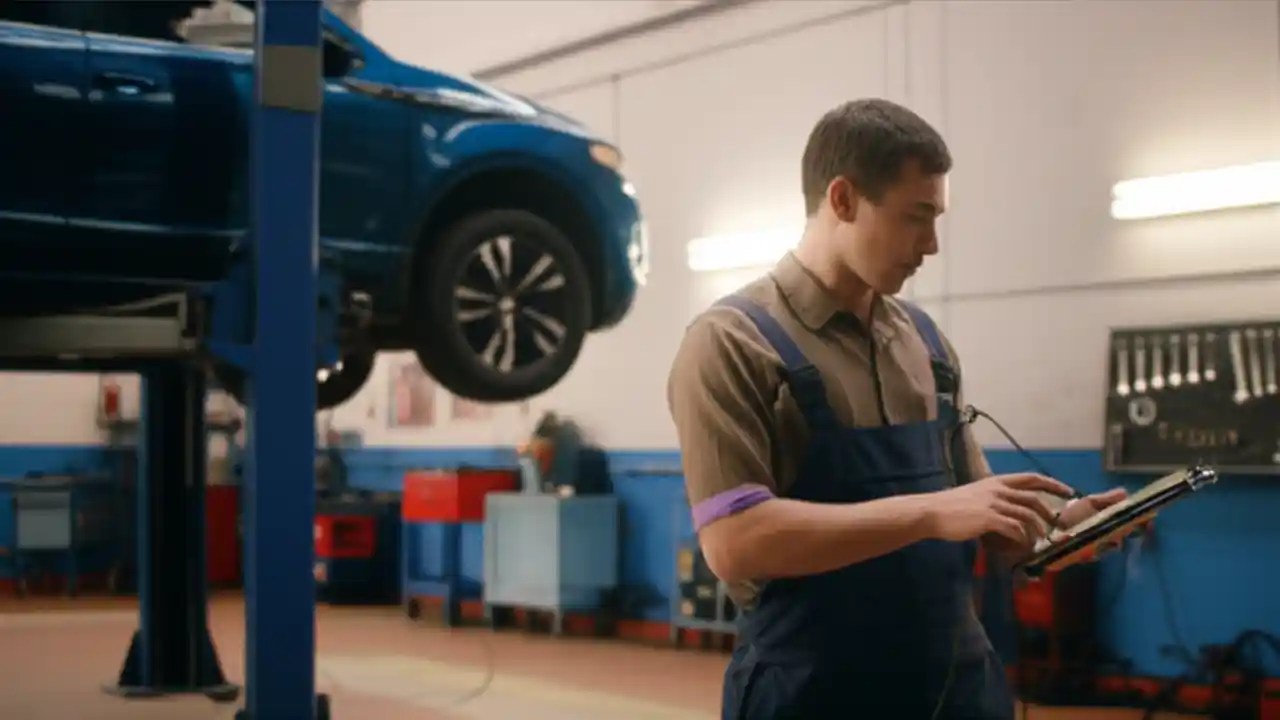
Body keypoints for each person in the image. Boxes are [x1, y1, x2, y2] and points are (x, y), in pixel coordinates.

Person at [666, 98, 1133, 719]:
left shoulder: (925, 343)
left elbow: (975, 508)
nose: (932, 245)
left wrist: (1055, 530)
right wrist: (930, 514)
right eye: (917, 217)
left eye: (936, 218)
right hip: (815, 694)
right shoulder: (730, 344)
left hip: (956, 688)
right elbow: (735, 543)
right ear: (843, 200)